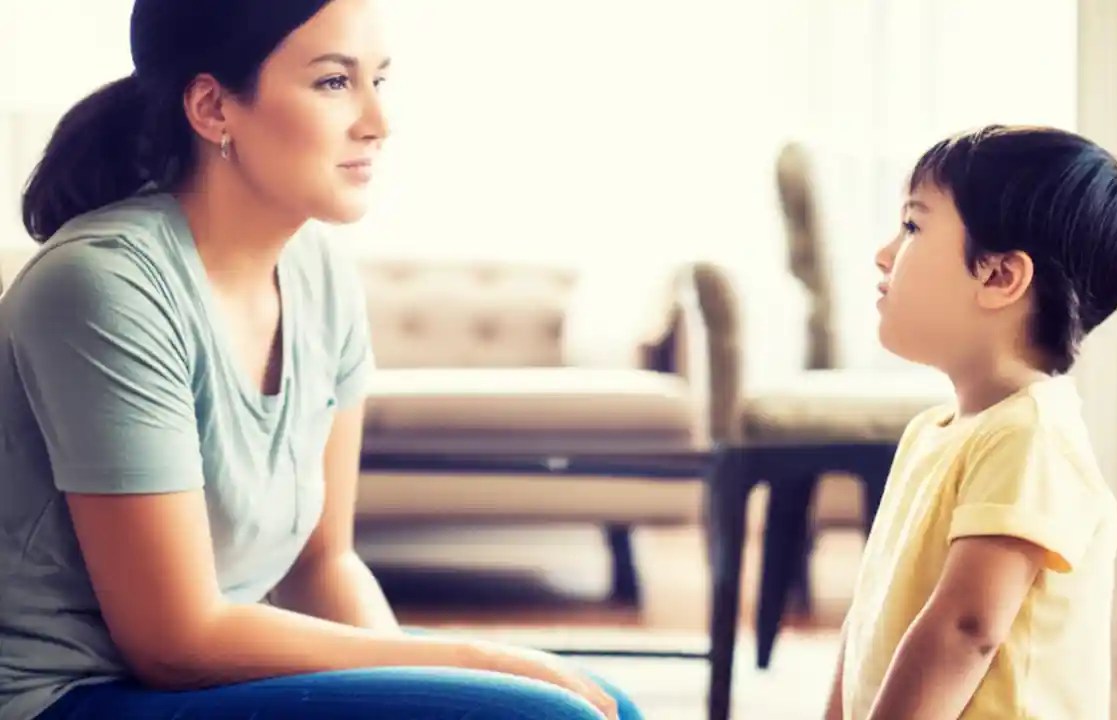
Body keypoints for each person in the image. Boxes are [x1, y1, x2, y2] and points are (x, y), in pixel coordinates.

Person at [0, 1, 639, 719]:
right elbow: (173, 641)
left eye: (379, 80)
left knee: (601, 703)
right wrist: (484, 664)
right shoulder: (105, 286)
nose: (378, 122)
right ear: (212, 107)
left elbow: (321, 564)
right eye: (334, 82)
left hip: (198, 675)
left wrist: (437, 692)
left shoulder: (322, 273)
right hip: (69, 694)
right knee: (545, 713)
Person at [823, 125, 1117, 719]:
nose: (884, 253)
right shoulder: (932, 433)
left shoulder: (1031, 437)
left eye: (912, 226)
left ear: (1000, 277)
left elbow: (966, 627)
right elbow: (869, 614)